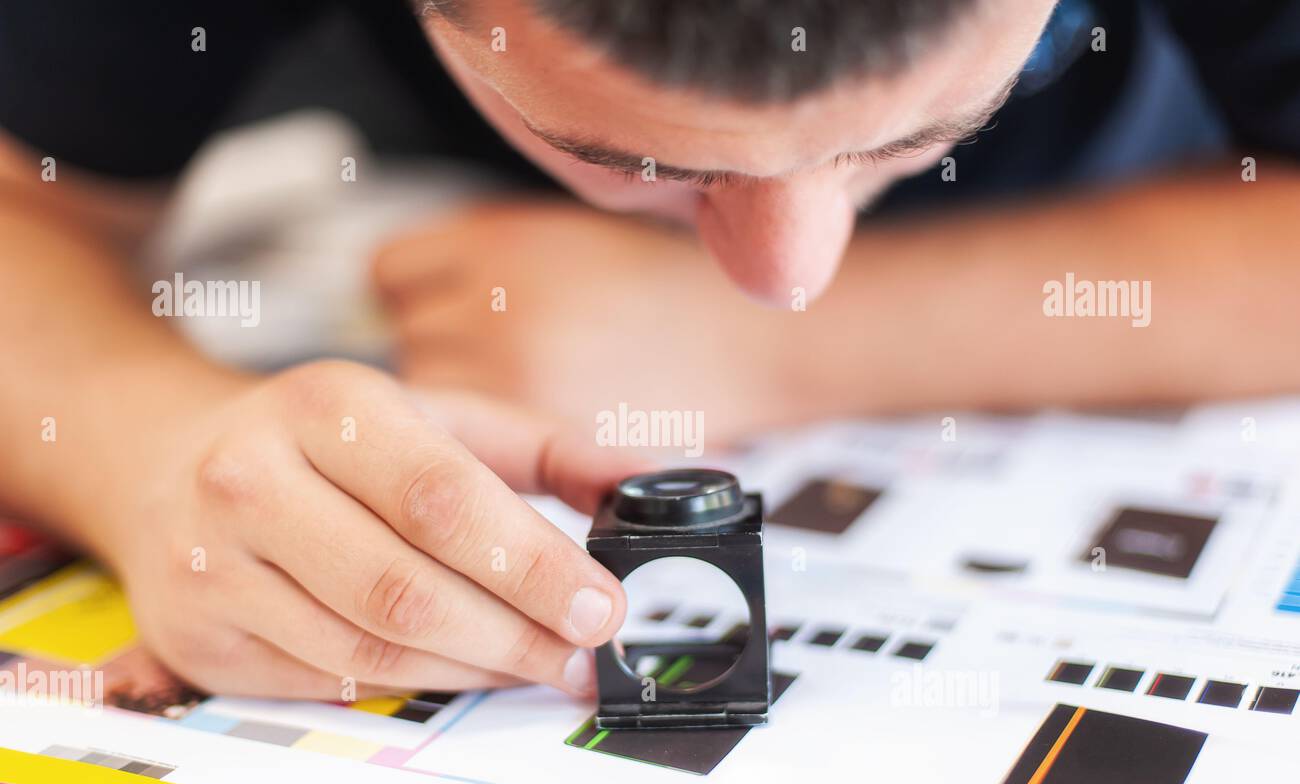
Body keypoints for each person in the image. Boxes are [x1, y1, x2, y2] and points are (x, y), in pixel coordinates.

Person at [1, 0, 1295, 697]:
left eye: (926, 127)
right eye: (630, 159)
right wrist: (144, 444)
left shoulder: (780, 293)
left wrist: (792, 351)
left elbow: (788, 313)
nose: (788, 275)